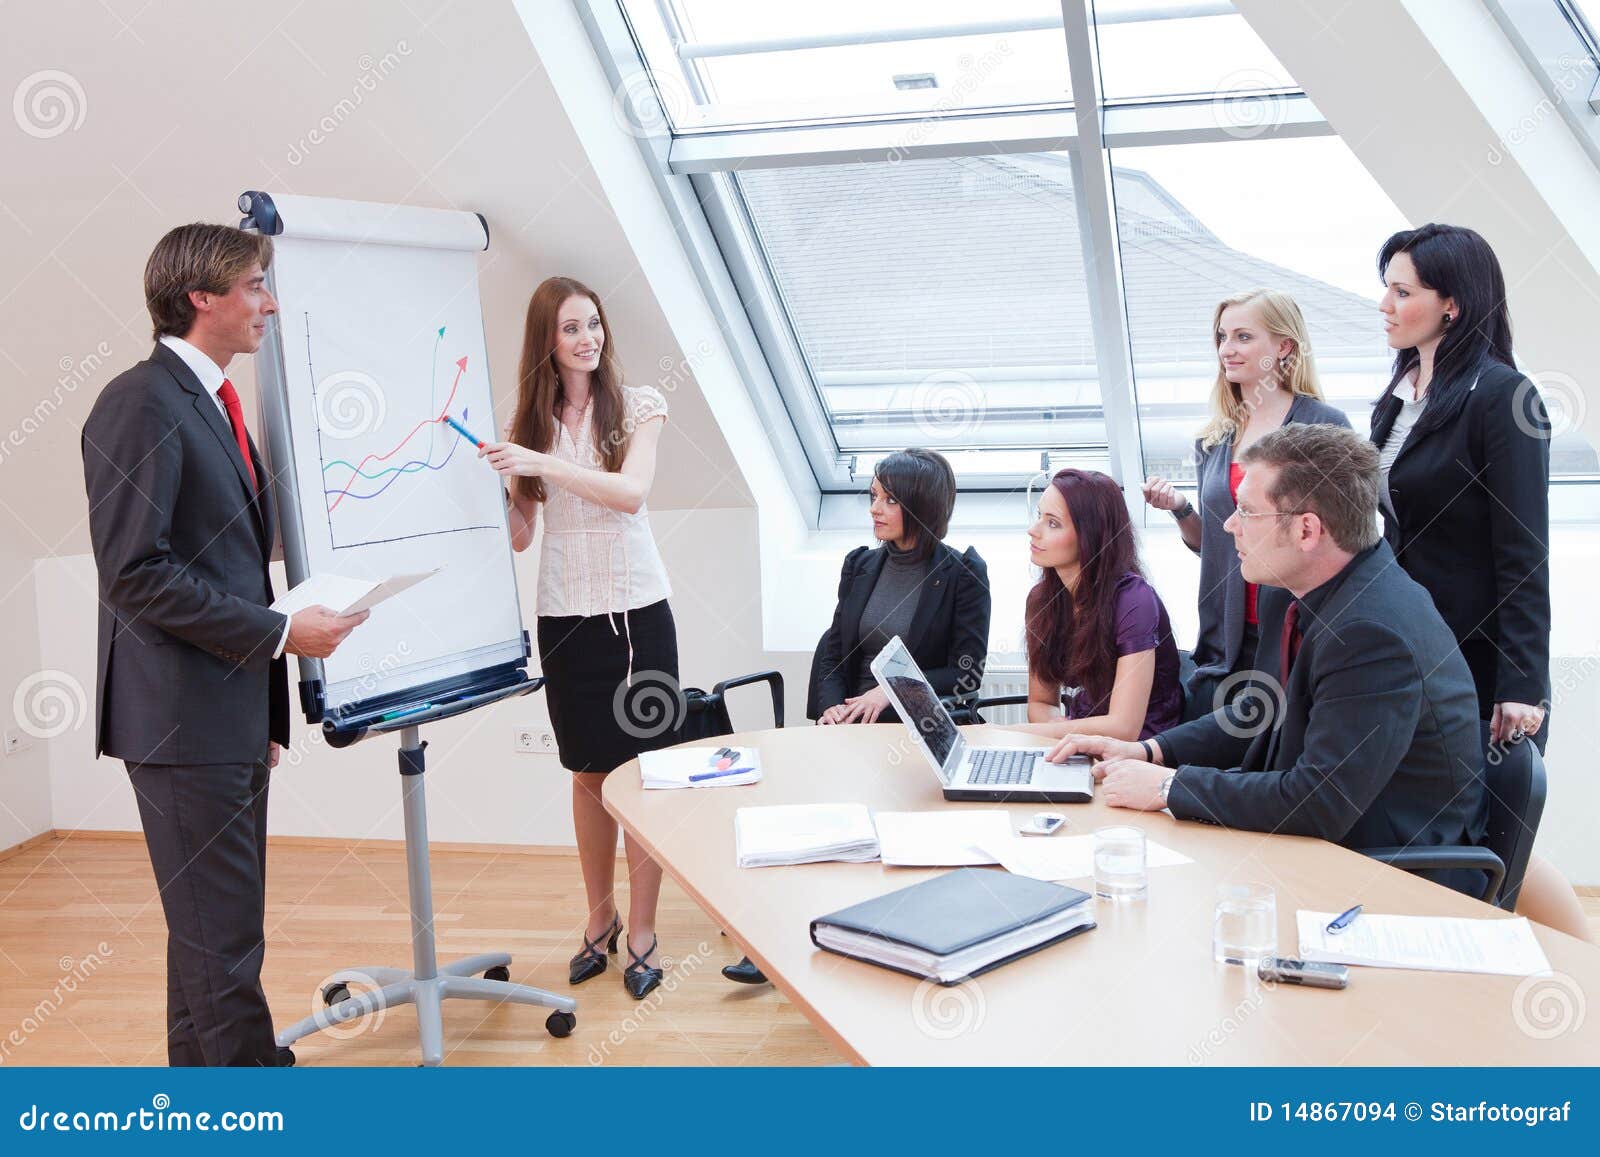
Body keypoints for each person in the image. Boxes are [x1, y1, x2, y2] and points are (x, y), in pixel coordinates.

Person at [81, 223, 368, 1066]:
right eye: (252, 286)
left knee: (206, 934)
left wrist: (262, 712)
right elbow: (135, 573)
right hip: (178, 723)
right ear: (201, 297)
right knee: (225, 939)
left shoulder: (211, 403)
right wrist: (282, 632)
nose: (268, 302)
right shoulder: (140, 402)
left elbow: (227, 561)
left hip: (224, 713)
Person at [1053, 425, 1487, 889]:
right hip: (1323, 845)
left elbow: (1320, 802)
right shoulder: (1308, 592)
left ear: (1306, 529)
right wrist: (1149, 751)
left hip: (1393, 876)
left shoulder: (1371, 632)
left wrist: (1167, 788)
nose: (1227, 525)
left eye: (1247, 511)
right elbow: (1259, 711)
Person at [1372, 222, 1588, 941]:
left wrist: (1521, 684)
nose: (1385, 304)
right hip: (1415, 651)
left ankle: (1581, 962)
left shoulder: (1502, 395)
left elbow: (1524, 549)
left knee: (1486, 834)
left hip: (1480, 659)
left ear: (1452, 304)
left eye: (1402, 291)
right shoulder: (1400, 396)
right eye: (1387, 288)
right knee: (1441, 826)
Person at [484, 275, 678, 999]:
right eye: (571, 328)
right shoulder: (527, 426)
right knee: (590, 775)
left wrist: (542, 464)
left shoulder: (639, 406)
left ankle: (645, 933)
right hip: (566, 617)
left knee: (643, 776)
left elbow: (630, 494)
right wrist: (490, 494)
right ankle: (598, 921)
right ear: (547, 341)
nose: (588, 338)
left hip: (638, 615)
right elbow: (524, 531)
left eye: (593, 323)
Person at [1142, 289, 1348, 719]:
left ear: (1284, 346)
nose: (1226, 350)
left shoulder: (1324, 426)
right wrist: (1181, 509)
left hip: (1299, 628)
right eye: (1221, 337)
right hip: (1229, 639)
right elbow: (1212, 546)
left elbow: (1345, 536)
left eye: (1242, 337)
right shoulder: (1213, 439)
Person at [811, 448, 990, 725]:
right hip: (851, 722)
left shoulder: (963, 573)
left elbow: (966, 674)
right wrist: (831, 708)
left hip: (915, 724)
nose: (874, 508)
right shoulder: (858, 565)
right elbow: (834, 655)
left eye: (890, 500)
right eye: (874, 496)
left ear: (923, 506)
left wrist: (892, 689)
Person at [1022, 469, 1182, 742]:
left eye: (1053, 523)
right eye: (1039, 516)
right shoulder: (1041, 599)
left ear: (1090, 537)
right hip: (1083, 744)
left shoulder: (1135, 600)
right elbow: (1041, 702)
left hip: (1141, 752)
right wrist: (1056, 726)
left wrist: (1005, 733)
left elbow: (1124, 728)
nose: (1032, 531)